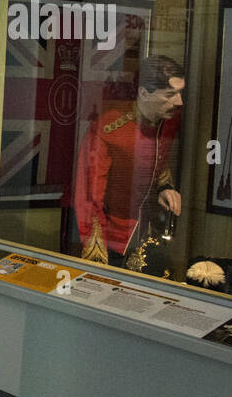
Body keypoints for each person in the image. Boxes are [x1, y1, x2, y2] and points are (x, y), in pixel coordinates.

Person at [71, 55, 184, 270]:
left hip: (151, 233)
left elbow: (156, 160)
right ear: (143, 93)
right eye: (170, 94)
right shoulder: (108, 128)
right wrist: (97, 258)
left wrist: (165, 188)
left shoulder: (169, 121)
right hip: (113, 239)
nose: (179, 101)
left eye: (180, 93)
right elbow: (88, 198)